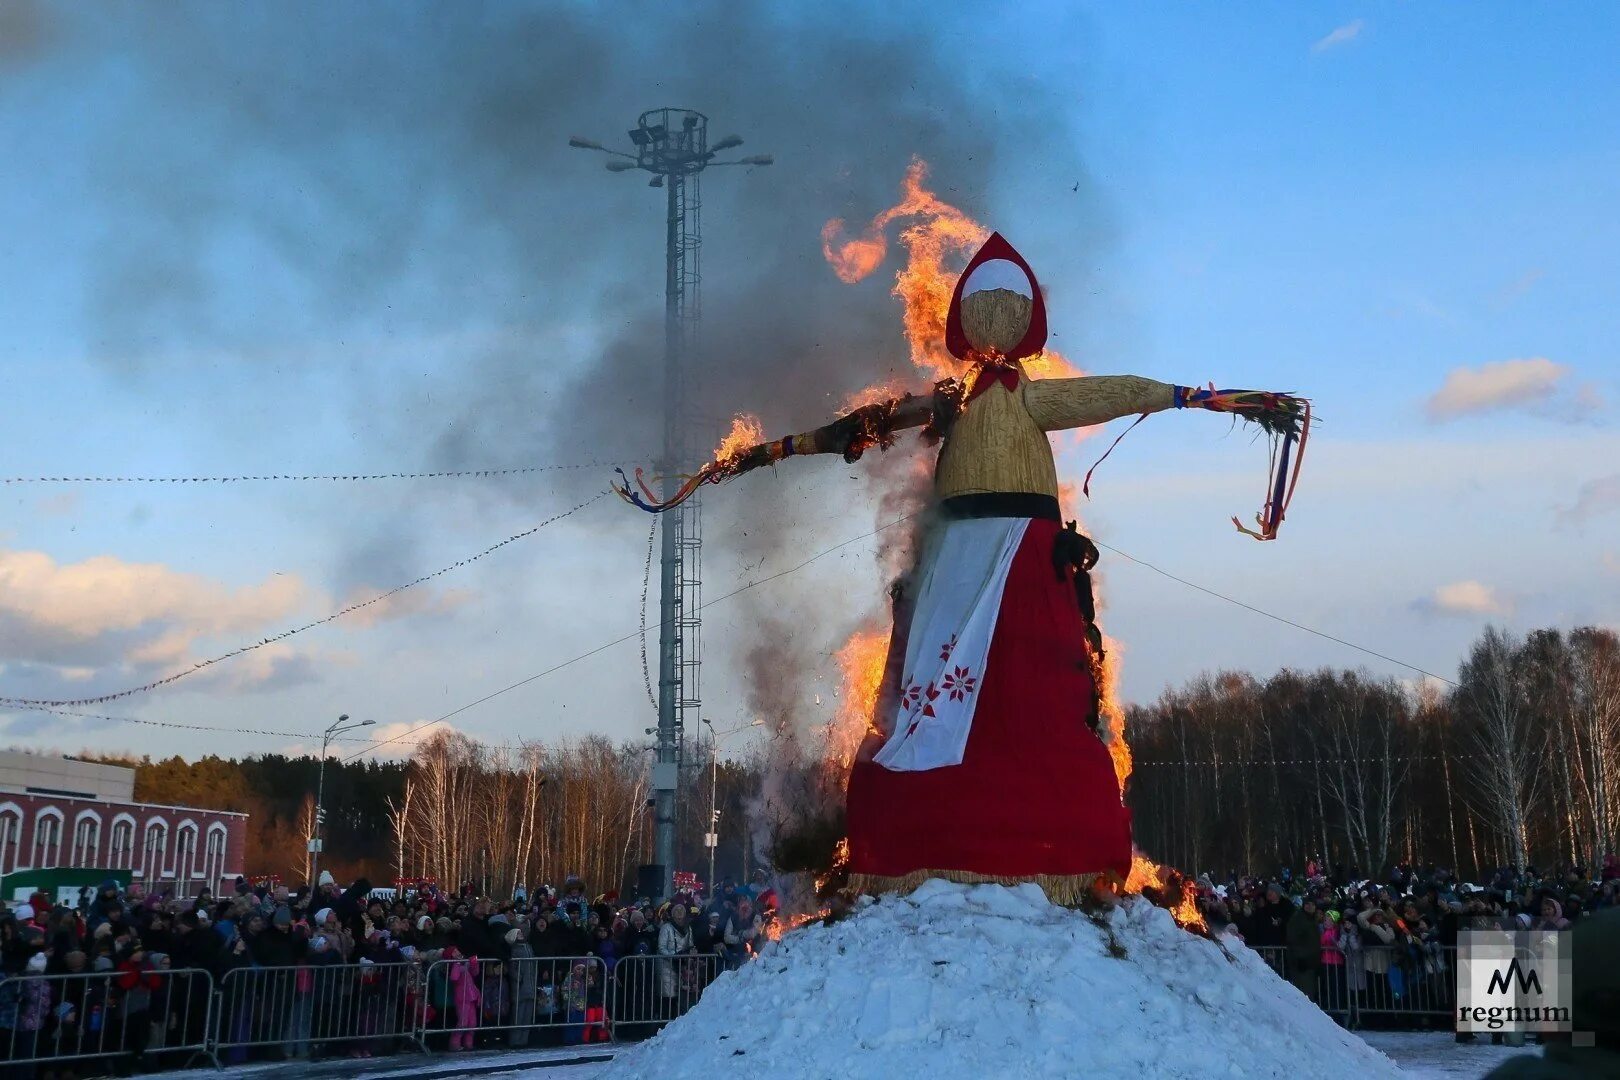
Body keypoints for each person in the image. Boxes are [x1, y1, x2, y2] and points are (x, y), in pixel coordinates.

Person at [703, 233, 1306, 900]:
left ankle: (1019, 828)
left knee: (1029, 685)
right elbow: (861, 426)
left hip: (1016, 550)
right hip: (957, 555)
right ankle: (939, 814)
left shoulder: (1016, 399)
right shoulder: (951, 402)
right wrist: (764, 452)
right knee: (941, 685)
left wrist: (1206, 398)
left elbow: (1116, 394)